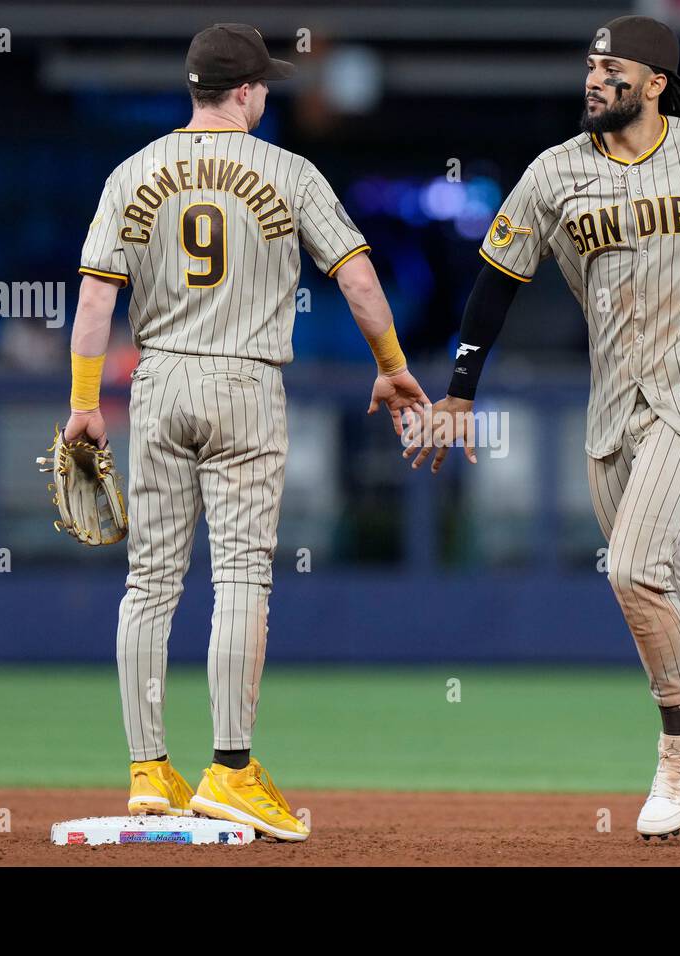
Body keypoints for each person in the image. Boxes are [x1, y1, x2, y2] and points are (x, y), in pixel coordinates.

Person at [406, 15, 680, 843]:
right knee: (662, 586)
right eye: (589, 63)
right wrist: (460, 394)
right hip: (614, 408)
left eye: (613, 66)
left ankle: (678, 747)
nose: (595, 77)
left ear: (654, 82)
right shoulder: (555, 172)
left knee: (633, 565)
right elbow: (497, 279)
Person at [64, 23, 429, 841]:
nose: (269, 92)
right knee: (241, 583)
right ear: (243, 92)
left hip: (155, 380)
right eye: (264, 83)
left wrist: (87, 402)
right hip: (245, 380)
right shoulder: (289, 171)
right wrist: (392, 360)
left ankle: (148, 771)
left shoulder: (134, 171)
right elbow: (360, 275)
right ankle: (229, 770)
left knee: (150, 583)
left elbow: (94, 302)